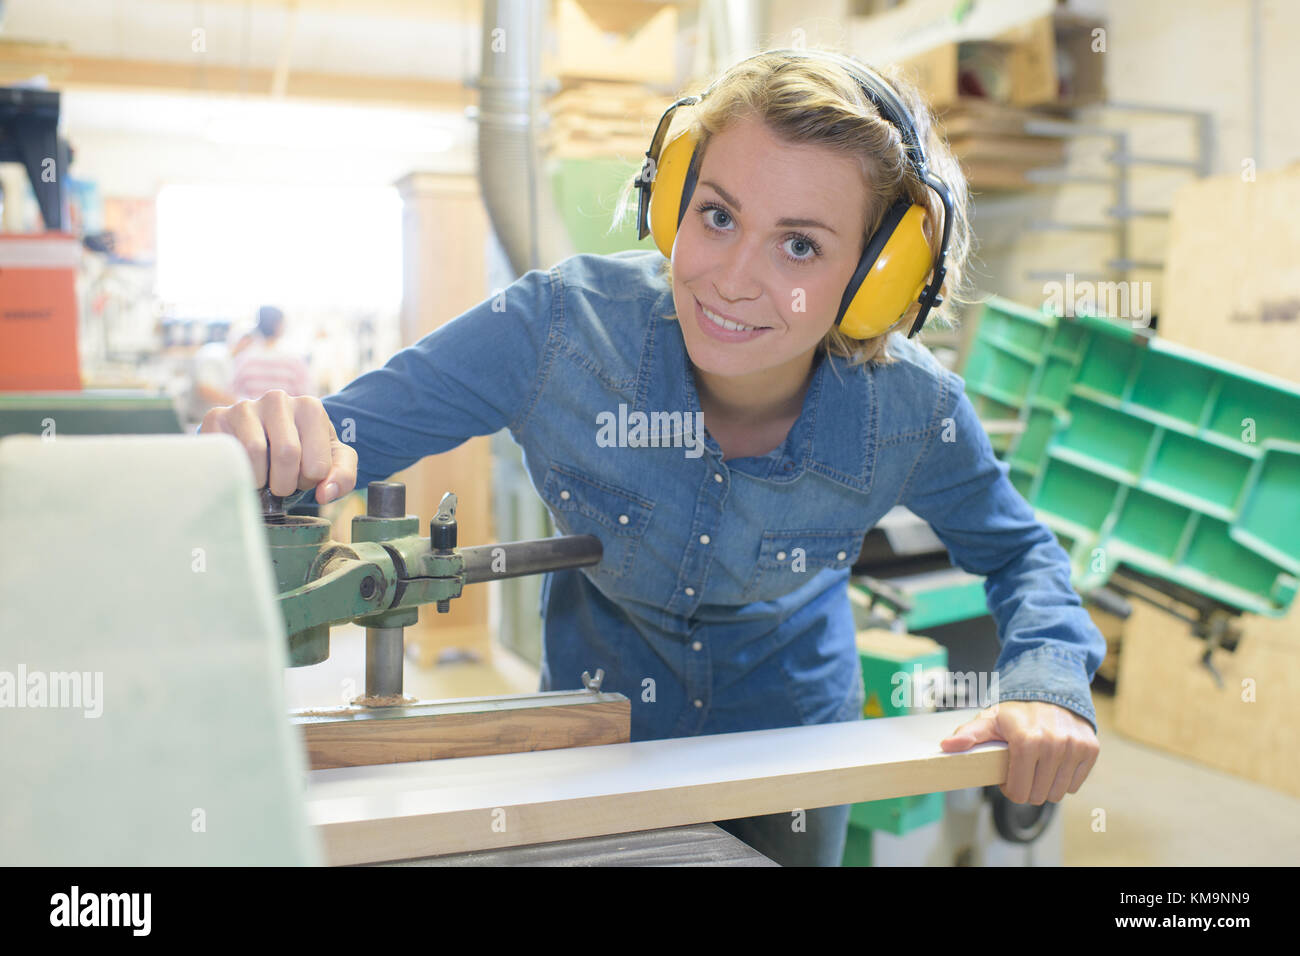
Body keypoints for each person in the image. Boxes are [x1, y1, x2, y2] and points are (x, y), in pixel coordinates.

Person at [199, 49, 1104, 866]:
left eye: (799, 244)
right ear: (672, 201)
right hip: (593, 737)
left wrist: (1048, 687)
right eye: (717, 216)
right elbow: (342, 436)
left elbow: (1019, 552)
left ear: (878, 282)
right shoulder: (558, 331)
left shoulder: (911, 410)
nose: (733, 276)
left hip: (792, 753)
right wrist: (269, 444)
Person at [229, 305, 313, 401]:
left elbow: (234, 395)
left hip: (251, 415)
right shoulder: (295, 361)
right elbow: (305, 397)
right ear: (279, 325)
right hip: (286, 415)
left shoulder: (243, 359)